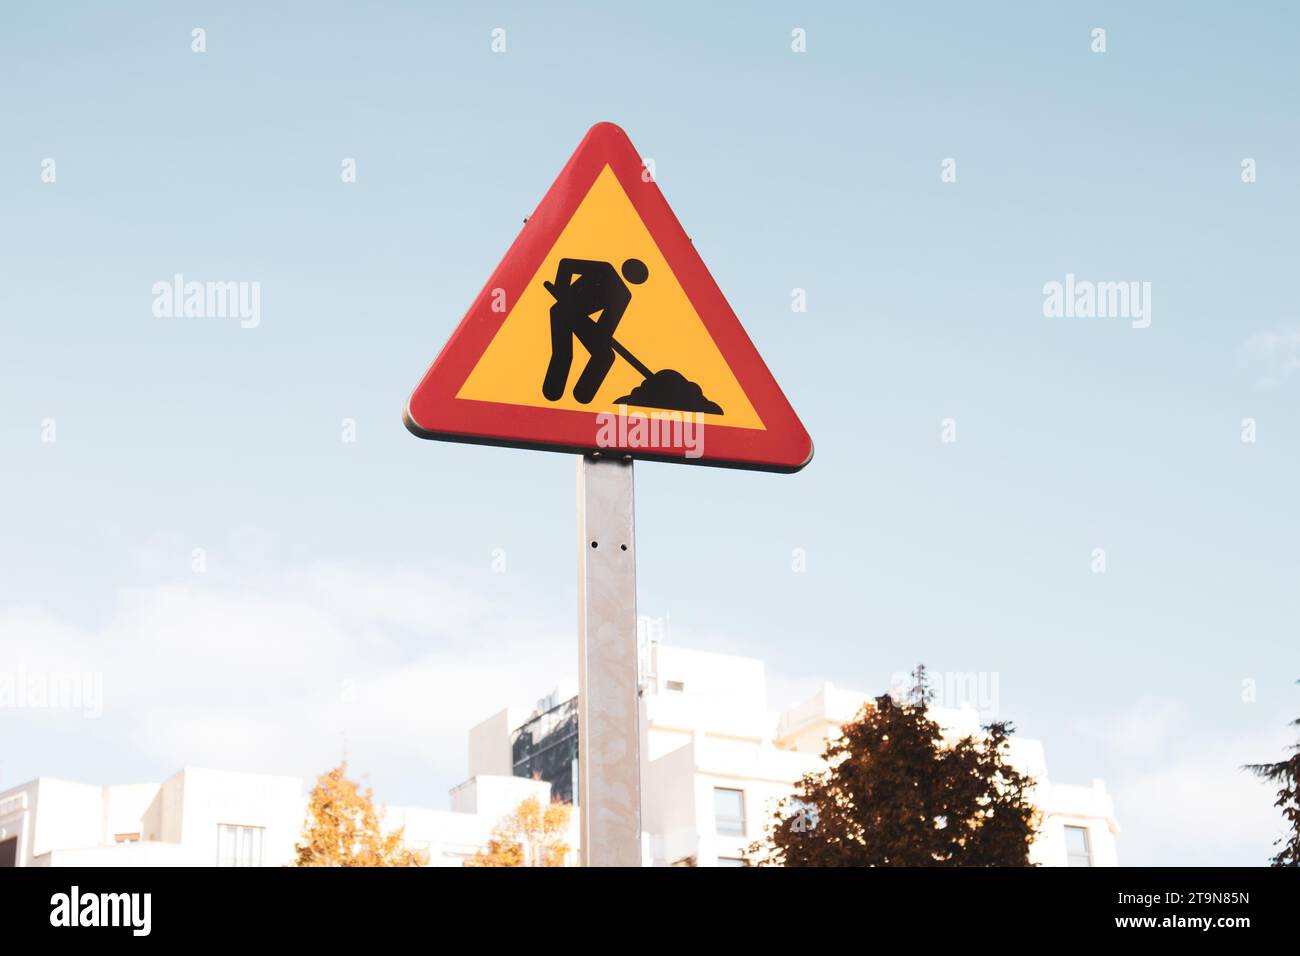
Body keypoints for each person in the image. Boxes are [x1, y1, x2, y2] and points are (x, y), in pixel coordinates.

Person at [542, 257, 648, 404]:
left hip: (577, 317)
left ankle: (582, 395)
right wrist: (562, 289)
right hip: (561, 312)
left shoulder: (624, 295)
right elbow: (566, 264)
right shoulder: (605, 269)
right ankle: (552, 392)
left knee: (605, 355)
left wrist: (601, 336)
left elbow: (607, 325)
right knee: (563, 354)